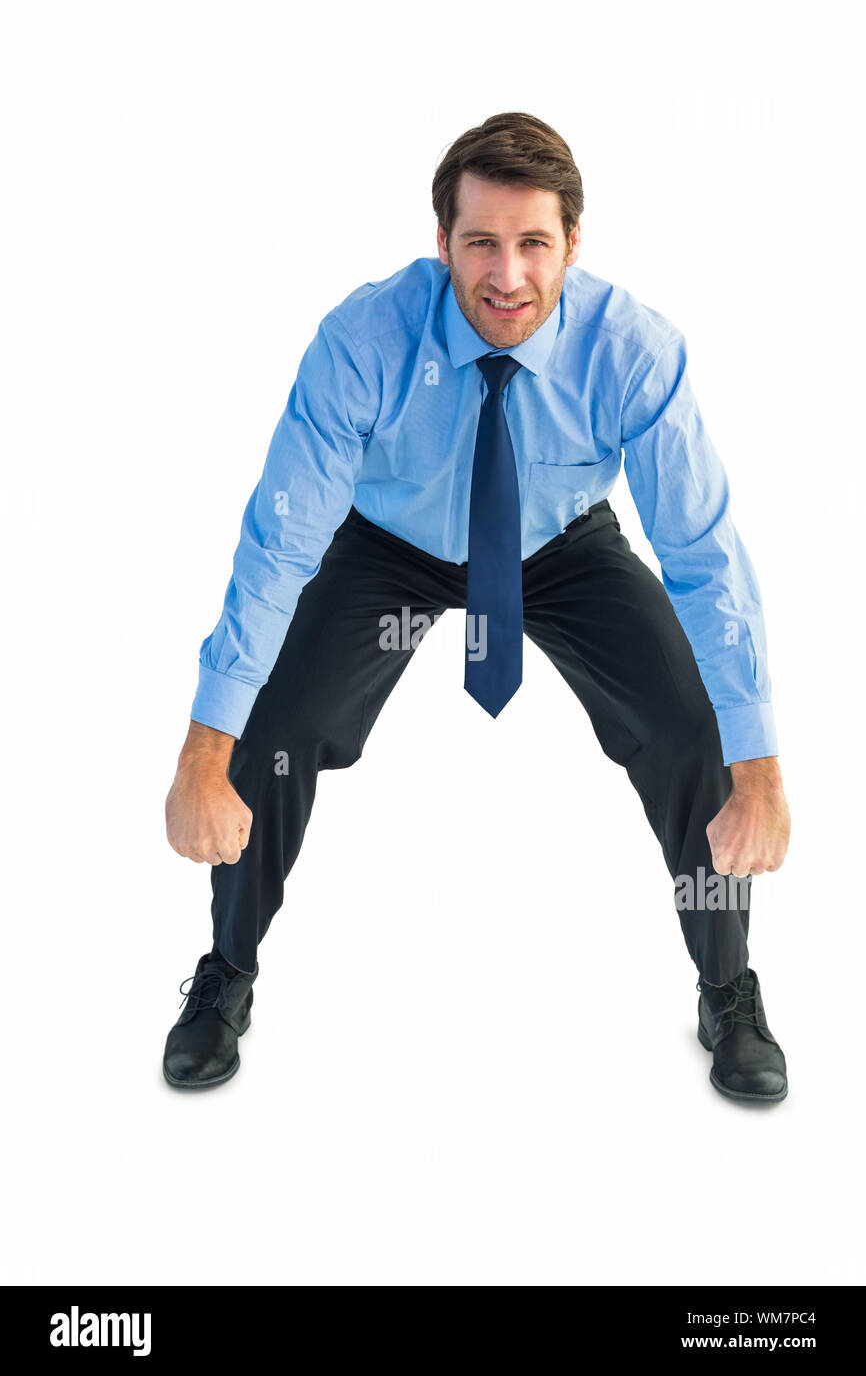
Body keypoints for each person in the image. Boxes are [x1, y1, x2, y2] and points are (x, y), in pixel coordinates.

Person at [163, 111, 791, 1102]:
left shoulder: (631, 350)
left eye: (532, 243)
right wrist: (203, 751)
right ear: (442, 242)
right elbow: (280, 538)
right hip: (390, 551)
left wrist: (756, 767)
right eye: (479, 243)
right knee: (274, 733)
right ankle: (225, 970)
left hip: (559, 548)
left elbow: (701, 552)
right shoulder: (362, 341)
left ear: (571, 243)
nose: (505, 276)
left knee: (690, 734)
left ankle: (728, 984)